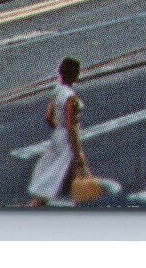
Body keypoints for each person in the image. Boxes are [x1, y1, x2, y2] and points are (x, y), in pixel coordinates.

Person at [27, 57, 89, 206]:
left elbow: (49, 117)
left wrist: (59, 129)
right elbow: (71, 126)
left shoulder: (57, 90)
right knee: (66, 170)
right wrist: (78, 151)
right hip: (67, 138)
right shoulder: (71, 97)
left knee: (58, 171)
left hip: (58, 135)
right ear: (75, 74)